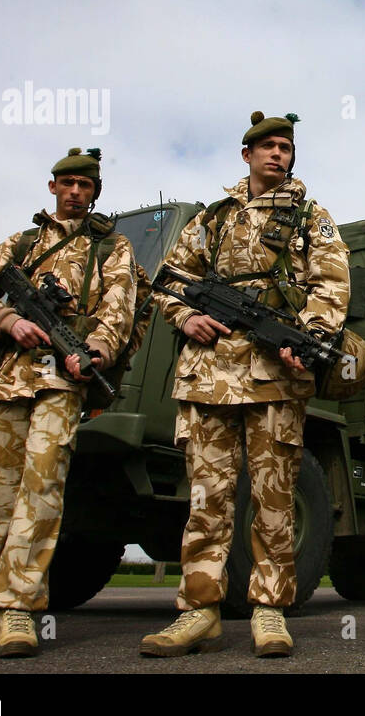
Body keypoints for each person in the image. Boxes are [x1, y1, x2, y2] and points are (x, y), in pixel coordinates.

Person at [0, 147, 137, 658]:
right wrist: (7, 320)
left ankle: (18, 609)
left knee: (41, 488)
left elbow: (118, 309)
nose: (76, 192)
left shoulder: (112, 247)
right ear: (53, 187)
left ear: (95, 193)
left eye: (86, 185)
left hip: (61, 383)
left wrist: (94, 353)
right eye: (68, 183)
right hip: (6, 381)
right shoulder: (21, 242)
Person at [140, 111, 349, 658]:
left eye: (285, 147)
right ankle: (199, 611)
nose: (277, 154)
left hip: (275, 377)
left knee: (274, 497)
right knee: (206, 500)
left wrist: (306, 338)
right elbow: (169, 281)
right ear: (247, 154)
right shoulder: (211, 220)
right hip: (208, 374)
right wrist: (184, 318)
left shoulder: (311, 218)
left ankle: (270, 610)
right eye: (267, 147)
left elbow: (331, 287)